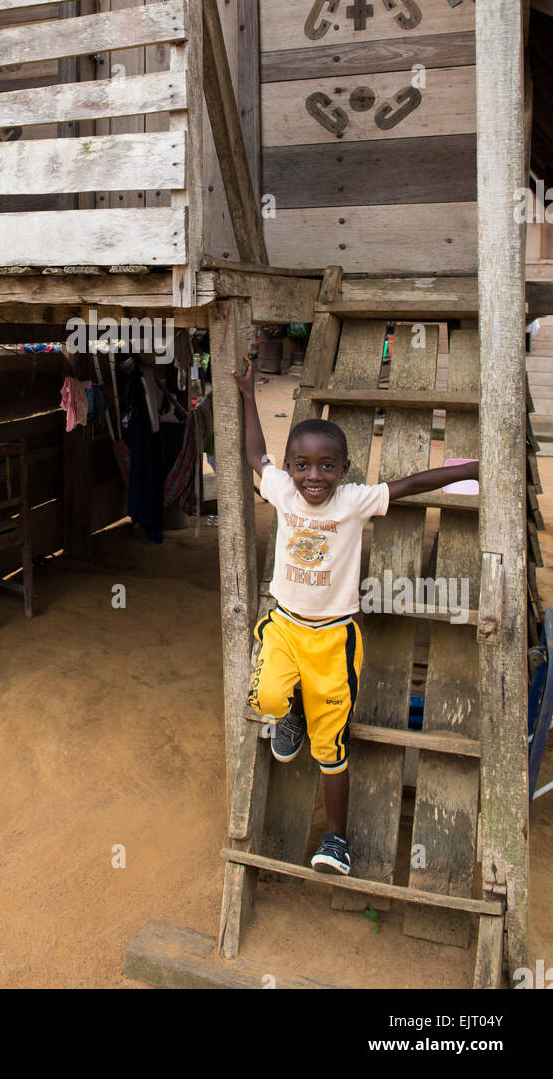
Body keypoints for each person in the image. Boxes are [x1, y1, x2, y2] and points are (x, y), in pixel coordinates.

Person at [232, 357, 478, 875]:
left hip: (333, 641)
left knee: (331, 744)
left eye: (326, 466)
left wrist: (472, 469)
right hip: (285, 626)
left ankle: (336, 840)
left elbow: (413, 484)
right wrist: (248, 393)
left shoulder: (354, 501)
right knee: (267, 696)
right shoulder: (281, 490)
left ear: (344, 470)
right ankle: (291, 710)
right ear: (292, 466)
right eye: (302, 464)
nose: (313, 476)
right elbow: (256, 454)